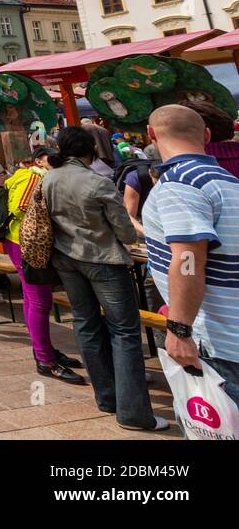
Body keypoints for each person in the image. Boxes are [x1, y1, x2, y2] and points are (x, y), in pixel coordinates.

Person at [44, 126, 167, 432]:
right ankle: (134, 412)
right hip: (103, 261)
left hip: (66, 260)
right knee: (125, 332)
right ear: (91, 150)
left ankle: (108, 397)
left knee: (86, 324)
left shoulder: (49, 178)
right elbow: (125, 231)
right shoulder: (97, 181)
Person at [143, 104, 239, 409]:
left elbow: (188, 259)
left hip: (216, 341)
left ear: (150, 134)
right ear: (207, 135)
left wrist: (179, 329)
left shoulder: (179, 184)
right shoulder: (227, 181)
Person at [0, 153, 85, 384]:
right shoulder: (32, 179)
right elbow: (20, 208)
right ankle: (45, 360)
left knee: (32, 298)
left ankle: (42, 350)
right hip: (27, 244)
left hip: (22, 242)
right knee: (40, 300)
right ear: (37, 162)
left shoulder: (30, 177)